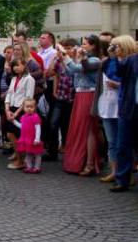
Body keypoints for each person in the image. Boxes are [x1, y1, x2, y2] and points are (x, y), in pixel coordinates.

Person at [61, 35, 103, 176]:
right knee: (79, 129)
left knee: (89, 129)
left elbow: (79, 68)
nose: (82, 46)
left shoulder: (95, 60)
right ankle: (80, 162)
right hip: (80, 95)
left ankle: (90, 163)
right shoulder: (82, 59)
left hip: (89, 95)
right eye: (82, 43)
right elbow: (70, 71)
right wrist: (68, 59)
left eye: (85, 44)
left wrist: (66, 56)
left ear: (93, 46)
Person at [110, 36, 138, 192]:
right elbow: (118, 72)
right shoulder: (133, 59)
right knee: (123, 145)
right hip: (129, 107)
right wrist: (115, 57)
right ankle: (122, 180)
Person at [92, 39, 122, 183]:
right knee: (112, 141)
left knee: (124, 142)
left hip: (122, 107)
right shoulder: (106, 63)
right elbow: (108, 73)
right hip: (106, 105)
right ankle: (114, 171)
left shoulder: (128, 62)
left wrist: (117, 84)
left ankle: (125, 172)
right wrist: (111, 58)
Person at [45, 39, 78, 161]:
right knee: (53, 123)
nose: (66, 51)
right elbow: (51, 74)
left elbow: (73, 74)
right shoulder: (59, 60)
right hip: (60, 97)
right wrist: (55, 58)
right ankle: (52, 152)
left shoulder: (77, 61)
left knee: (68, 126)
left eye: (69, 48)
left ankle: (68, 150)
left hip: (73, 98)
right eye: (64, 48)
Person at [4, 58, 35, 170]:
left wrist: (16, 114)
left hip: (22, 110)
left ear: (24, 66)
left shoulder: (29, 79)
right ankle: (19, 157)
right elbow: (9, 94)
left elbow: (28, 97)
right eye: (14, 66)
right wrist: (7, 109)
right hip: (12, 108)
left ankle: (20, 160)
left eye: (18, 65)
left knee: (16, 135)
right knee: (10, 134)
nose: (15, 68)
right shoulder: (14, 78)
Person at [12, 98, 44, 174]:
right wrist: (13, 121)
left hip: (33, 139)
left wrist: (37, 139)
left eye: (31, 107)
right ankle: (29, 167)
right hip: (26, 139)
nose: (29, 109)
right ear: (24, 108)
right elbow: (21, 126)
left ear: (35, 107)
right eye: (27, 107)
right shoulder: (23, 117)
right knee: (28, 153)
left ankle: (37, 167)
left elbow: (38, 128)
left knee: (37, 154)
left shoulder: (36, 117)